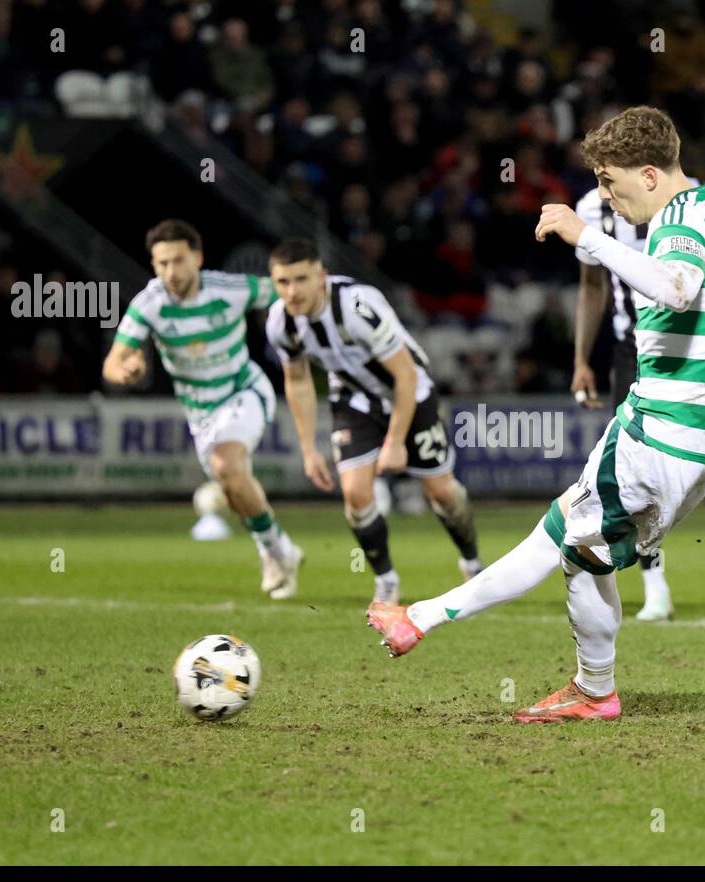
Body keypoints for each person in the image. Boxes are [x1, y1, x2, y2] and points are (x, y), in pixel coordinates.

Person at [367, 107, 705, 722]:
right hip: (703, 446)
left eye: (610, 184)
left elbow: (677, 287)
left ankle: (483, 644)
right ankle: (518, 659)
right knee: (580, 544)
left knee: (567, 543)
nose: (607, 200)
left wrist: (585, 237)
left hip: (658, 435)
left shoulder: (678, 225)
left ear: (648, 173)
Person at [572, 176, 705, 620]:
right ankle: (655, 586)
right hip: (631, 348)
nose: (605, 187)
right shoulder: (593, 207)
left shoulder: (692, 201)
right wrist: (581, 358)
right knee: (635, 466)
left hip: (692, 345)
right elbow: (592, 287)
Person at [266, 237, 482, 609]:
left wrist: (396, 441)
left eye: (301, 279)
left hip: (410, 392)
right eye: (282, 282)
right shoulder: (280, 322)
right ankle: (386, 580)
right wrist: (307, 448)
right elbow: (298, 380)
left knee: (442, 492)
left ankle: (473, 564)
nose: (292, 291)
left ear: (321, 276)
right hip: (354, 399)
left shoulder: (357, 306)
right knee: (355, 493)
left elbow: (405, 375)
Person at [103, 219, 303, 599]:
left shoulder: (229, 289)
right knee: (233, 491)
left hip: (243, 390)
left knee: (227, 466)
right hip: (201, 415)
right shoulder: (150, 303)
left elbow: (285, 291)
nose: (170, 272)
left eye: (178, 261)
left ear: (197, 258)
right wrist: (126, 370)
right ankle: (280, 549)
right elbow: (113, 362)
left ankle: (274, 553)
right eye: (161, 263)